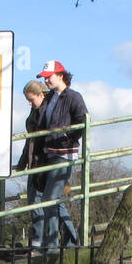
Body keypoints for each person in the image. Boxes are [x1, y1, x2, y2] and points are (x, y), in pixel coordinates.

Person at [34, 59, 84, 250]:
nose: (46, 81)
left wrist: (67, 136)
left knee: (49, 199)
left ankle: (53, 244)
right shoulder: (51, 97)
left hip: (63, 154)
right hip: (51, 153)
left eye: (49, 77)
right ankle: (71, 240)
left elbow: (82, 119)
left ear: (60, 76)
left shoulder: (73, 97)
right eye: (44, 78)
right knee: (54, 199)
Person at [16, 79, 50, 251]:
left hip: (44, 163)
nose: (29, 103)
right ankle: (39, 243)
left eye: (31, 99)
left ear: (40, 94)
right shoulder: (34, 113)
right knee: (36, 204)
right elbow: (30, 141)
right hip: (34, 164)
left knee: (42, 204)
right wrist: (22, 164)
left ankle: (43, 243)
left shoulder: (48, 112)